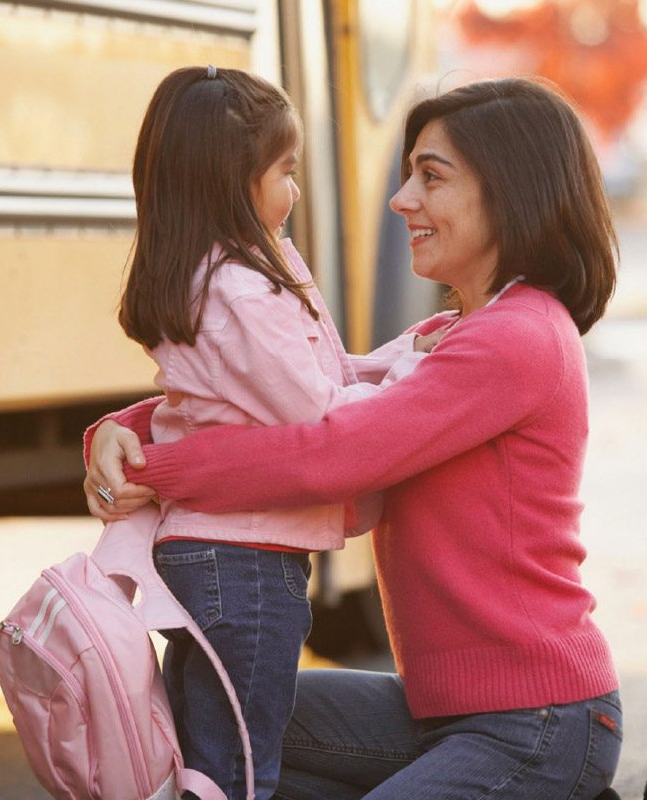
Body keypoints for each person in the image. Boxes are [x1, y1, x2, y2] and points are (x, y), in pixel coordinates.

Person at [86, 76, 623, 800]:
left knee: (236, 733)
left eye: (429, 178)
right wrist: (122, 429)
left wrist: (160, 468)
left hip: (538, 720)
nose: (402, 200)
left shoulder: (516, 340)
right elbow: (297, 391)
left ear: (510, 190)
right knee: (206, 720)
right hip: (439, 710)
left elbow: (329, 450)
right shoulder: (447, 334)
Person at [99, 64, 430, 800]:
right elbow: (320, 415)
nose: (296, 190)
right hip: (245, 562)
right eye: (285, 170)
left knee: (204, 755)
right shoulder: (240, 290)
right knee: (239, 772)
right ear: (231, 179)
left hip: (215, 556)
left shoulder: (223, 274)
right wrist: (416, 382)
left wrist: (408, 357)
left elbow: (323, 377)